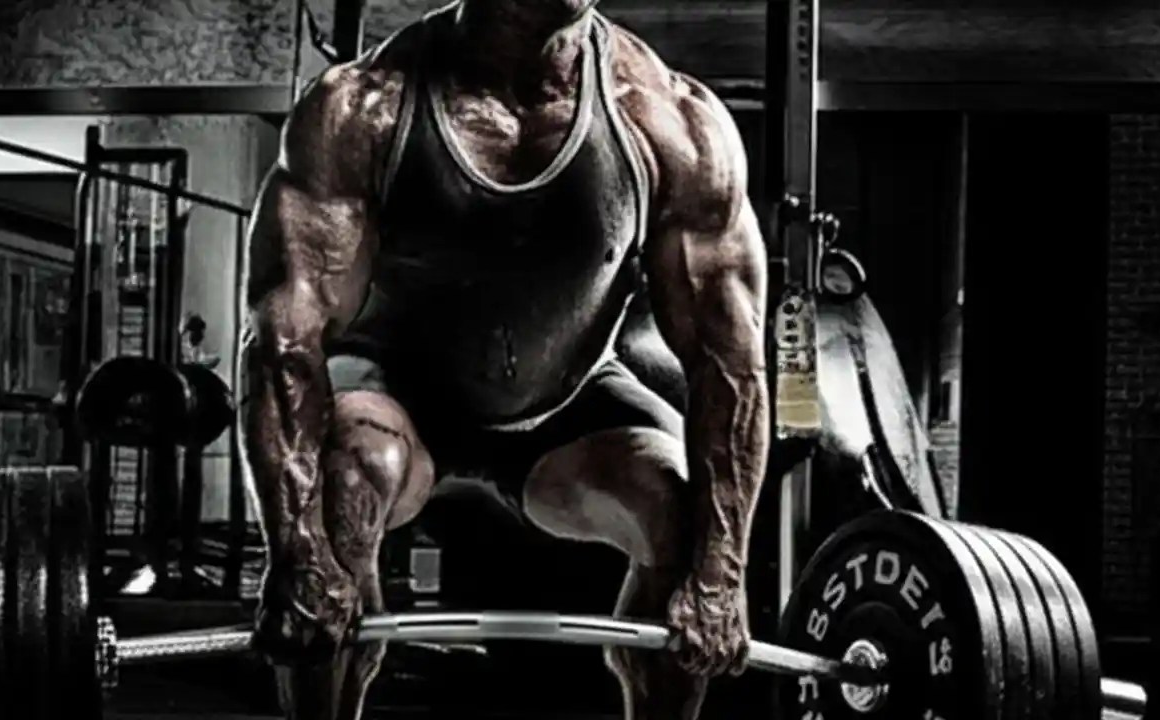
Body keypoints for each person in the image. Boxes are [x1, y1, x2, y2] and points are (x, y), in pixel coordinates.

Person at [238, 1, 772, 718]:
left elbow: (728, 367)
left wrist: (720, 575)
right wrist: (296, 549)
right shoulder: (362, 110)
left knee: (681, 511)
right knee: (346, 485)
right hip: (399, 398)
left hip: (569, 407)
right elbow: (283, 341)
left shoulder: (672, 123)